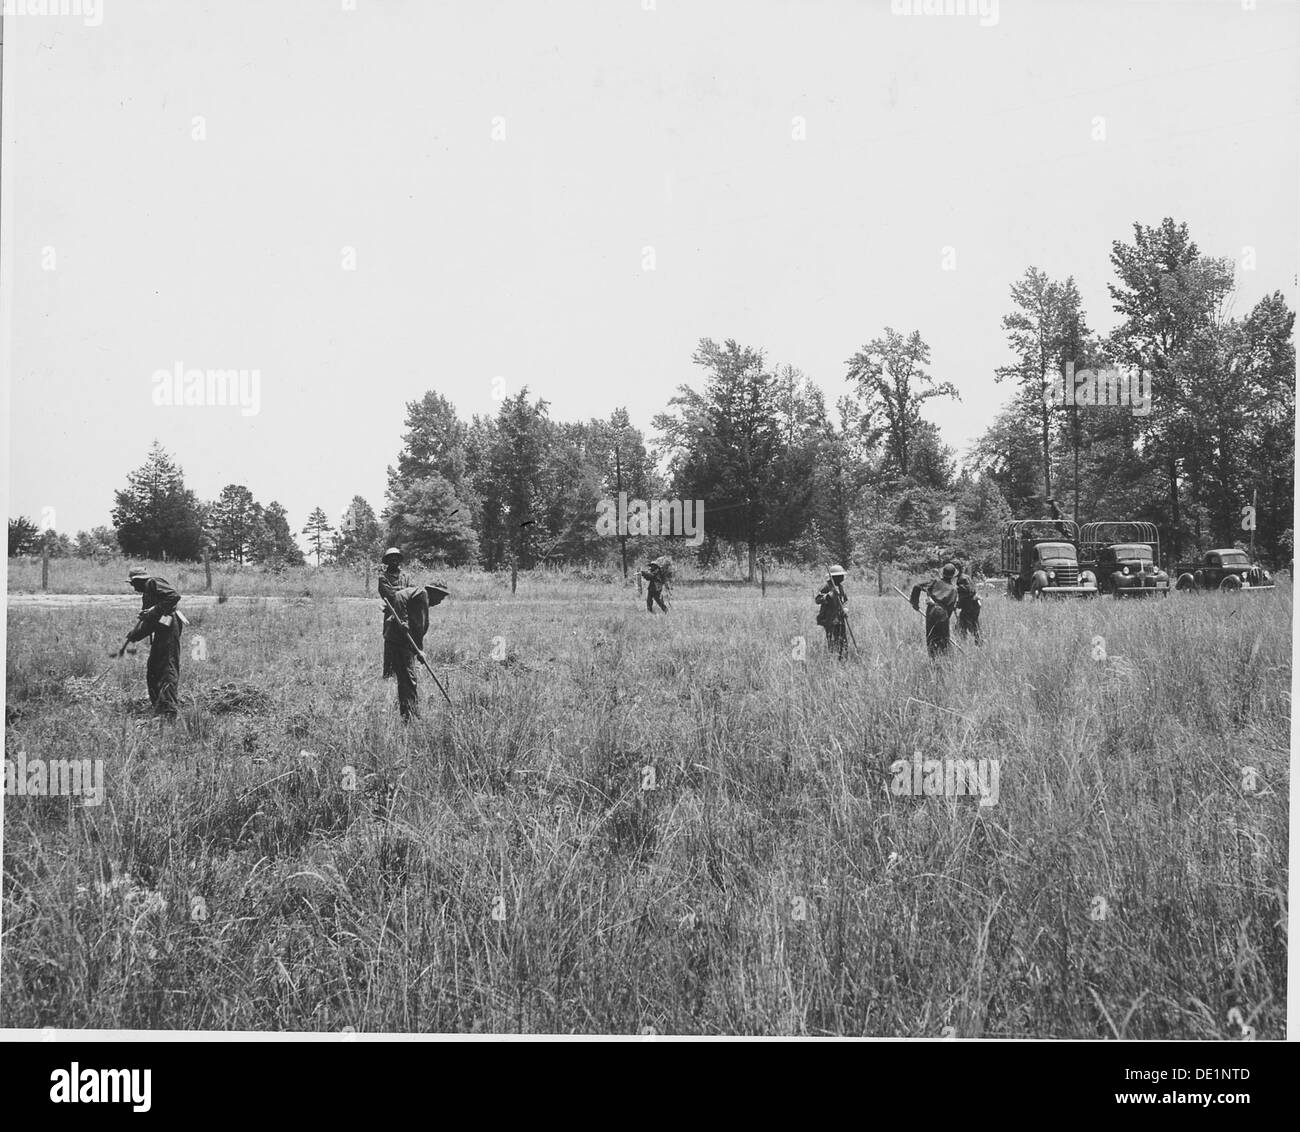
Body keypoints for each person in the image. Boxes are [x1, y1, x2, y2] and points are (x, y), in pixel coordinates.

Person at [380, 579, 449, 721]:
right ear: (434, 592)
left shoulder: (419, 598)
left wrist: (419, 650)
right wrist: (403, 620)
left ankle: (409, 713)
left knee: (407, 679)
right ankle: (410, 716)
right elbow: (399, 596)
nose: (440, 601)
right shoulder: (422, 593)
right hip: (399, 642)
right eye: (441, 597)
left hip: (399, 642)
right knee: (408, 679)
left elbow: (418, 627)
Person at [121, 567, 184, 717]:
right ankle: (158, 706)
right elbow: (150, 623)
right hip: (161, 628)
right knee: (154, 668)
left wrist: (153, 610)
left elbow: (174, 596)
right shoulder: (147, 594)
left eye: (132, 583)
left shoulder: (153, 582)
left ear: (138, 580)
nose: (132, 587)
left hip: (170, 624)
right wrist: (135, 635)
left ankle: (169, 710)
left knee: (167, 667)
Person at [910, 563, 959, 657]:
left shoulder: (935, 581)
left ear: (942, 573)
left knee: (931, 637)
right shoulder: (954, 590)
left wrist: (915, 604)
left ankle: (932, 659)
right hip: (943, 613)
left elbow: (917, 586)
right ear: (953, 576)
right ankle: (943, 660)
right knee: (944, 639)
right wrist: (945, 620)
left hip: (932, 611)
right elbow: (950, 608)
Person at [378, 547, 411, 678]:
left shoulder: (406, 576)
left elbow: (412, 592)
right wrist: (403, 591)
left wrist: (401, 591)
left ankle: (403, 672)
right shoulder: (383, 577)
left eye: (396, 557)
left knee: (405, 640)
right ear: (387, 560)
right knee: (390, 641)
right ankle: (388, 673)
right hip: (391, 613)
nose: (394, 560)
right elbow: (390, 595)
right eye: (391, 558)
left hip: (406, 613)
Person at [814, 565, 850, 657]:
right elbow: (817, 600)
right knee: (832, 640)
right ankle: (833, 658)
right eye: (839, 576)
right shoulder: (827, 586)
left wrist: (845, 609)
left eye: (842, 575)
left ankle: (843, 658)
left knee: (843, 639)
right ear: (834, 577)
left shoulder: (840, 587)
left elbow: (843, 600)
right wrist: (828, 595)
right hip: (829, 619)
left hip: (840, 618)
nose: (842, 578)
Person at [955, 563, 982, 644]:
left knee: (965, 626)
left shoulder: (962, 578)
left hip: (970, 606)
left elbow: (968, 591)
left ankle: (975, 643)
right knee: (968, 626)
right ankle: (974, 643)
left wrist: (958, 604)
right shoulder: (965, 577)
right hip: (972, 605)